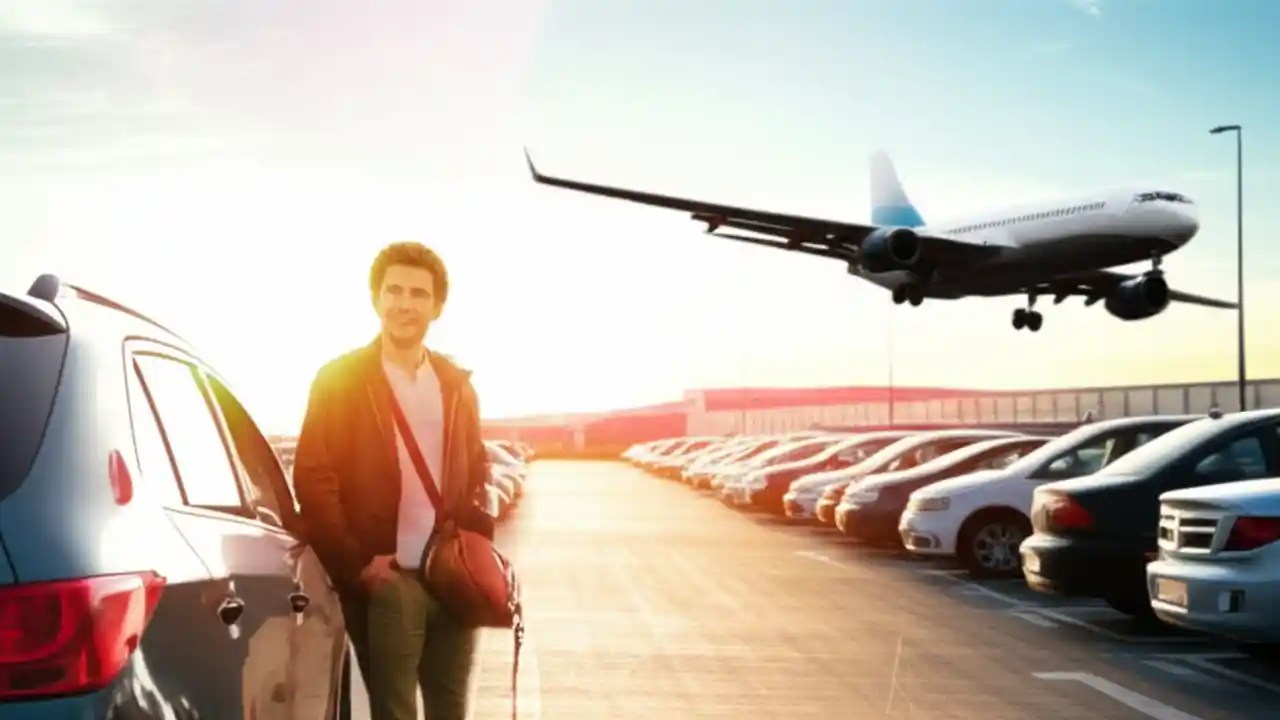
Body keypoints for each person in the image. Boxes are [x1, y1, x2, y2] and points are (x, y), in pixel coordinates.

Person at [293, 241, 496, 720]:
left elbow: (476, 467)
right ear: (376, 298)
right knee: (394, 712)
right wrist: (357, 564)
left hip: (450, 579)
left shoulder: (456, 385)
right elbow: (313, 475)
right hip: (387, 579)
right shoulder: (340, 379)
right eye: (394, 291)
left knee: (452, 710)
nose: (405, 304)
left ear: (437, 306)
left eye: (419, 294)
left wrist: (475, 547)